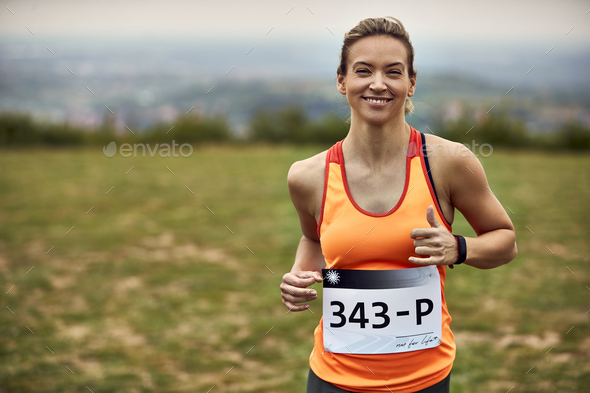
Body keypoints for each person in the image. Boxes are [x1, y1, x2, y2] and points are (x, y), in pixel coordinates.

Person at [280, 16, 517, 393]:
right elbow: (312, 241)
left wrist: (458, 247)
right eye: (363, 71)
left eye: (393, 71)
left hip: (424, 380)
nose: (378, 83)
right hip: (333, 378)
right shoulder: (308, 176)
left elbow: (505, 239)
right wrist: (299, 276)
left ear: (411, 82)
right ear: (342, 80)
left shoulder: (448, 161)